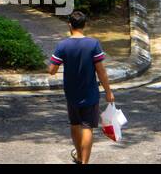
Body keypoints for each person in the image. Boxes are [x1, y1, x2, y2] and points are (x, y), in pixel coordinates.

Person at [48, 10, 115, 165]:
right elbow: (101, 71)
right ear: (85, 25)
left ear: (69, 25)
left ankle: (79, 156)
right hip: (90, 93)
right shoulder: (93, 44)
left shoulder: (63, 45)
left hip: (71, 93)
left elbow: (52, 70)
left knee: (75, 124)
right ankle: (84, 161)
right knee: (87, 127)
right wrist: (108, 91)